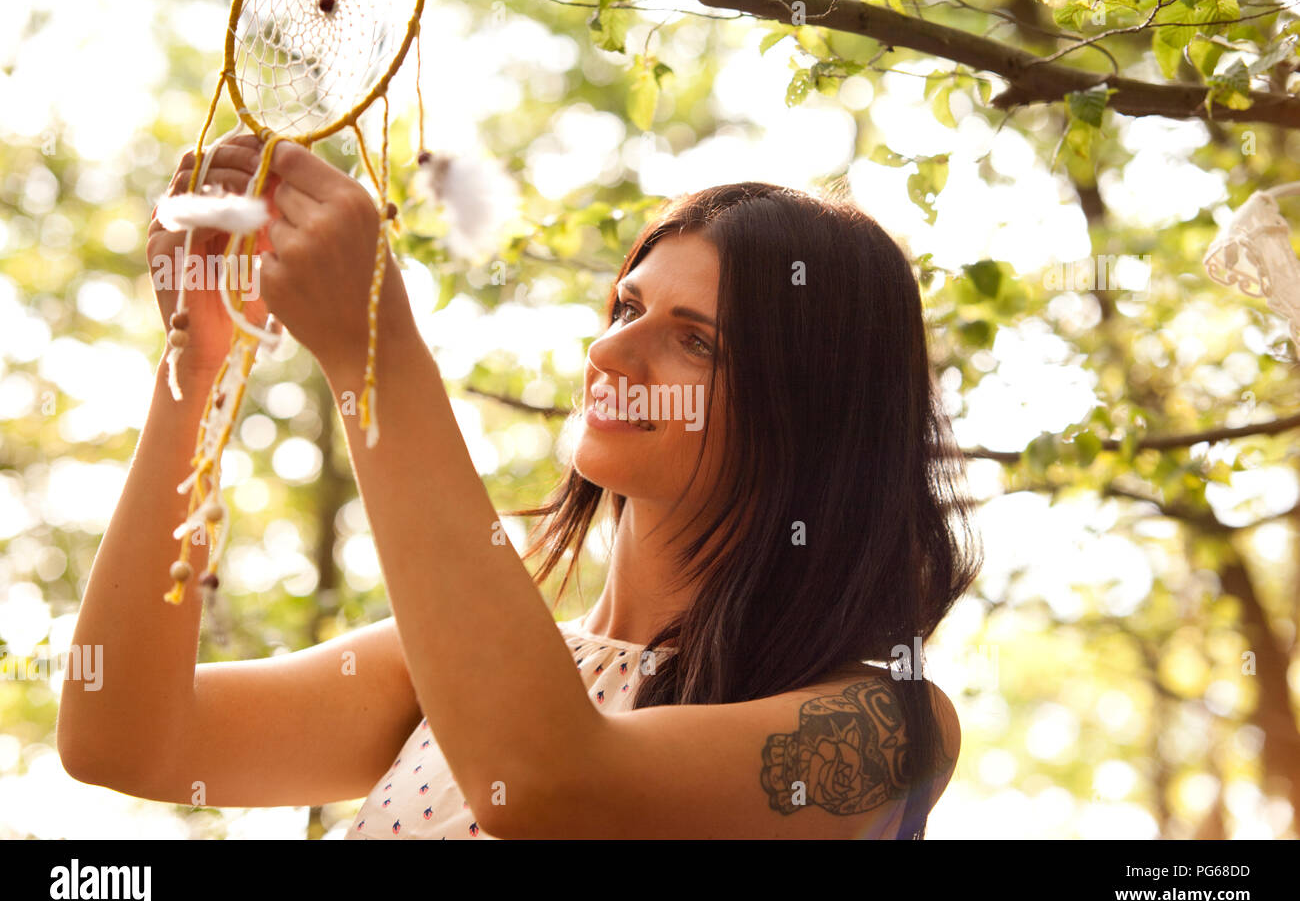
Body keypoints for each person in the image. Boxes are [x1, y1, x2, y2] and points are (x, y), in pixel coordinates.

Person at [56, 134, 981, 839]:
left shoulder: (885, 729)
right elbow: (122, 736)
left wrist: (373, 353)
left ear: (813, 414)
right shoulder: (454, 667)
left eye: (694, 339)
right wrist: (199, 359)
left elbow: (548, 780)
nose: (612, 351)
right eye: (627, 306)